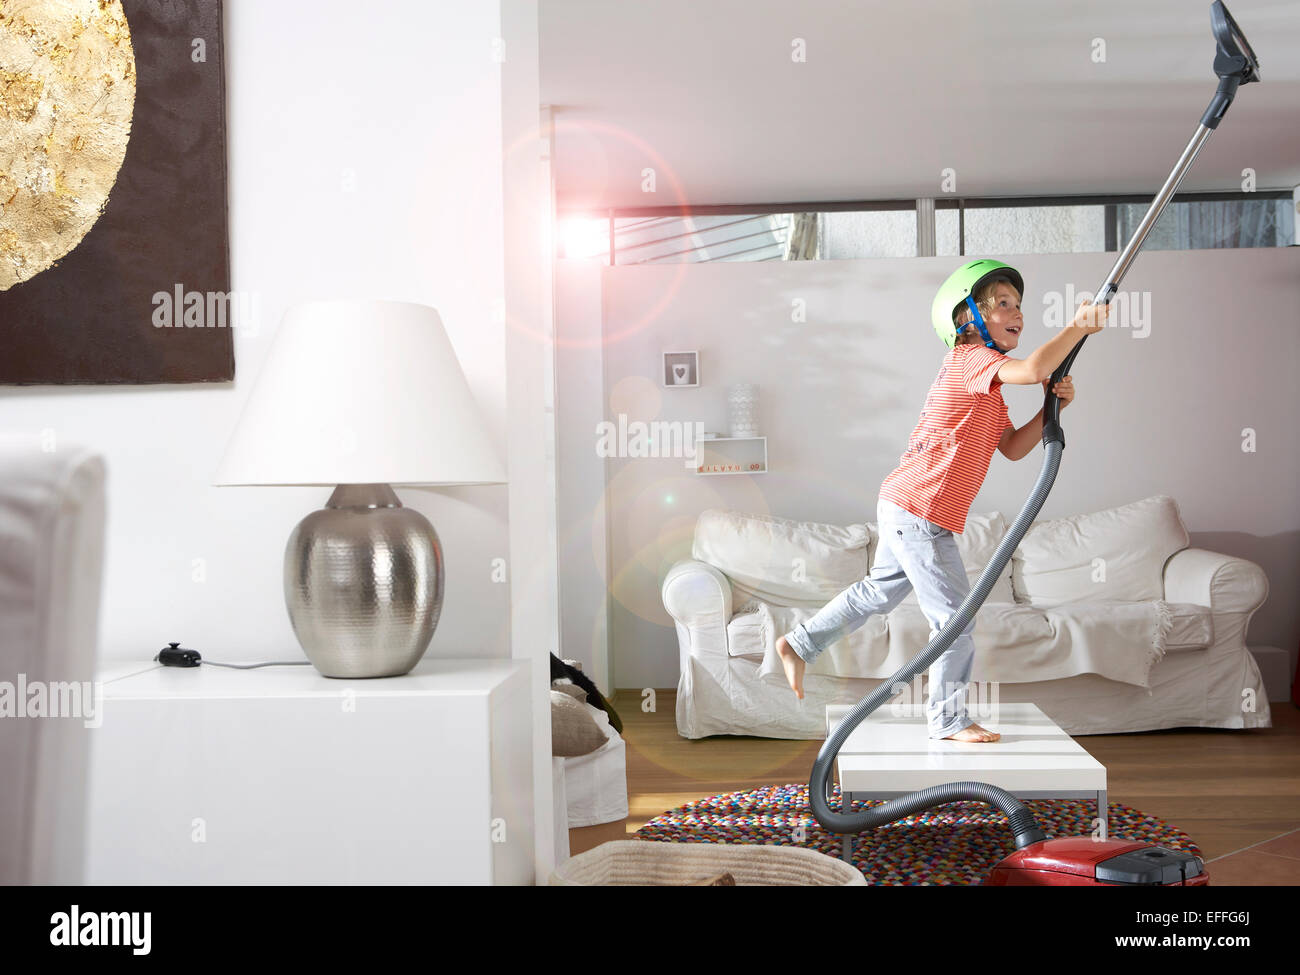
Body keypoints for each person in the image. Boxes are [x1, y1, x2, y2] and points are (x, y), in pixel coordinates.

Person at [775, 260, 1109, 742]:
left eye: (1018, 304)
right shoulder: (968, 361)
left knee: (877, 593)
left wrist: (1054, 409)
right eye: (1001, 303)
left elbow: (1014, 449)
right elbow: (1036, 367)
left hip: (908, 504)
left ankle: (799, 643)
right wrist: (1079, 325)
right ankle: (948, 720)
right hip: (919, 509)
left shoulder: (989, 394)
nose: (1016, 312)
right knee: (955, 622)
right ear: (967, 319)